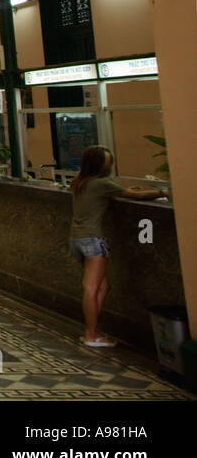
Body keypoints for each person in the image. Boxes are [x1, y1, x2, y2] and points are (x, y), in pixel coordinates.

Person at [69, 146, 166, 347]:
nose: (109, 165)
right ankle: (91, 334)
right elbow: (135, 196)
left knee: (102, 286)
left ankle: (92, 328)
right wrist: (163, 191)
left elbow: (119, 191)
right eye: (107, 161)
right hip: (93, 241)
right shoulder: (101, 184)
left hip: (76, 240)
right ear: (99, 165)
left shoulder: (80, 183)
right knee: (92, 288)